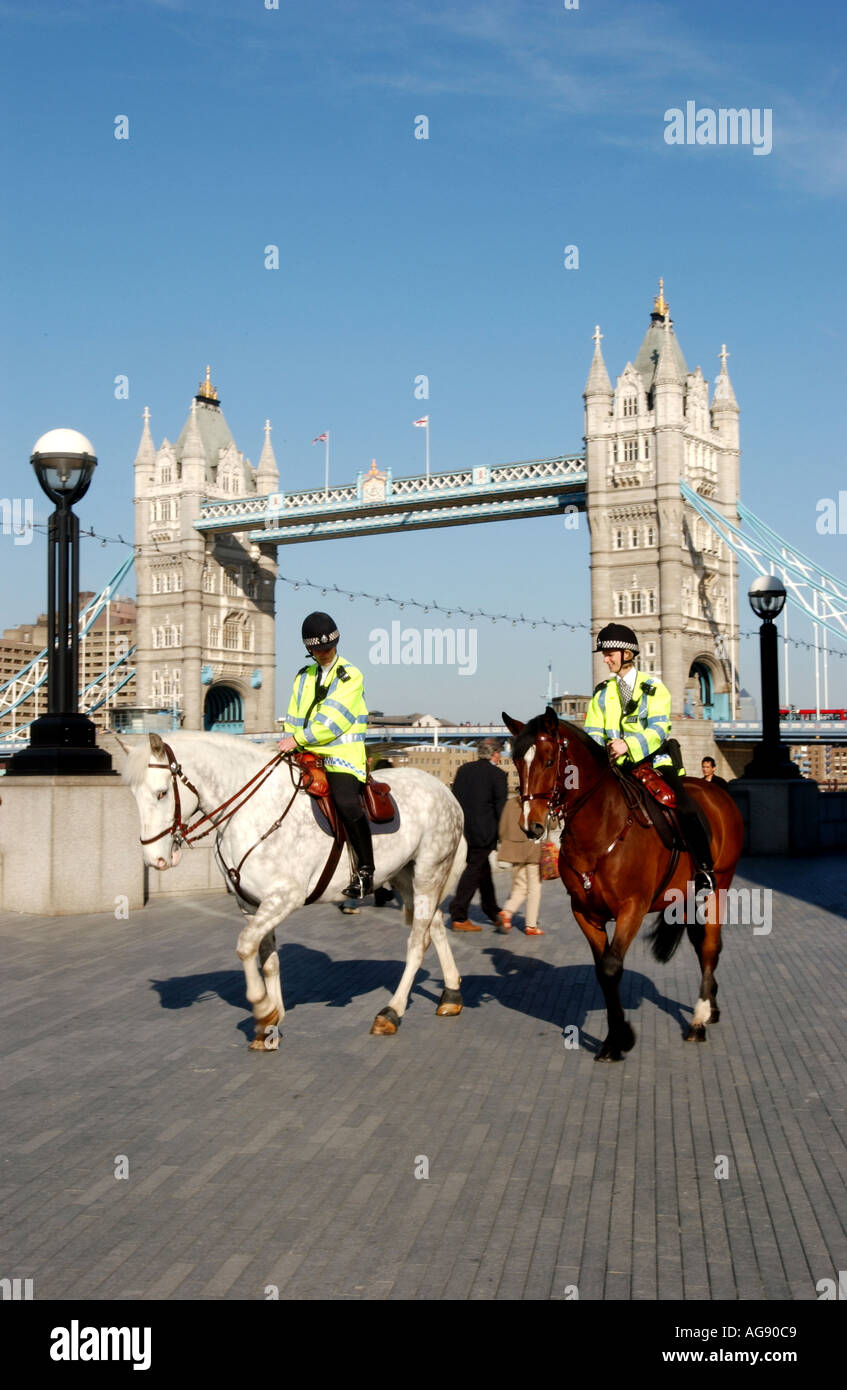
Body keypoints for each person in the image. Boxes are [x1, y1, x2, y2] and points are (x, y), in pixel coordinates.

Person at [583, 623, 715, 897]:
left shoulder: (654, 688)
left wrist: (628, 744)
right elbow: (593, 730)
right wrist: (601, 750)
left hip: (653, 759)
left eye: (609, 653)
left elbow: (658, 730)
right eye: (604, 654)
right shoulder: (601, 693)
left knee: (685, 805)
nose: (605, 659)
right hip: (613, 764)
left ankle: (704, 870)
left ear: (627, 654)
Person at [277, 612, 374, 899]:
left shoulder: (351, 675)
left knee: (345, 802)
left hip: (340, 754)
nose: (323, 654)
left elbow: (333, 724)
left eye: (327, 649)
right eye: (317, 650)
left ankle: (366, 870)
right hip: (304, 751)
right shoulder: (302, 677)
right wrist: (289, 741)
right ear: (308, 649)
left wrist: (298, 739)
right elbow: (293, 716)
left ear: (336, 644)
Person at [449, 738, 508, 931]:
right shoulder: (498, 775)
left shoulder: (464, 770)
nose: (500, 757)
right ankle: (458, 914)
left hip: (464, 828)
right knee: (474, 869)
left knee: (482, 869)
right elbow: (501, 808)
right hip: (485, 831)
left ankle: (492, 910)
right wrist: (503, 834)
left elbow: (455, 798)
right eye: (499, 753)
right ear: (494, 754)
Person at [496, 794, 544, 935]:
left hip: (515, 851)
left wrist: (507, 844)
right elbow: (549, 824)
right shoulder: (537, 802)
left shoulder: (510, 802)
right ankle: (531, 926)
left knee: (520, 886)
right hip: (534, 850)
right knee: (534, 889)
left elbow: (502, 828)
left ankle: (507, 912)